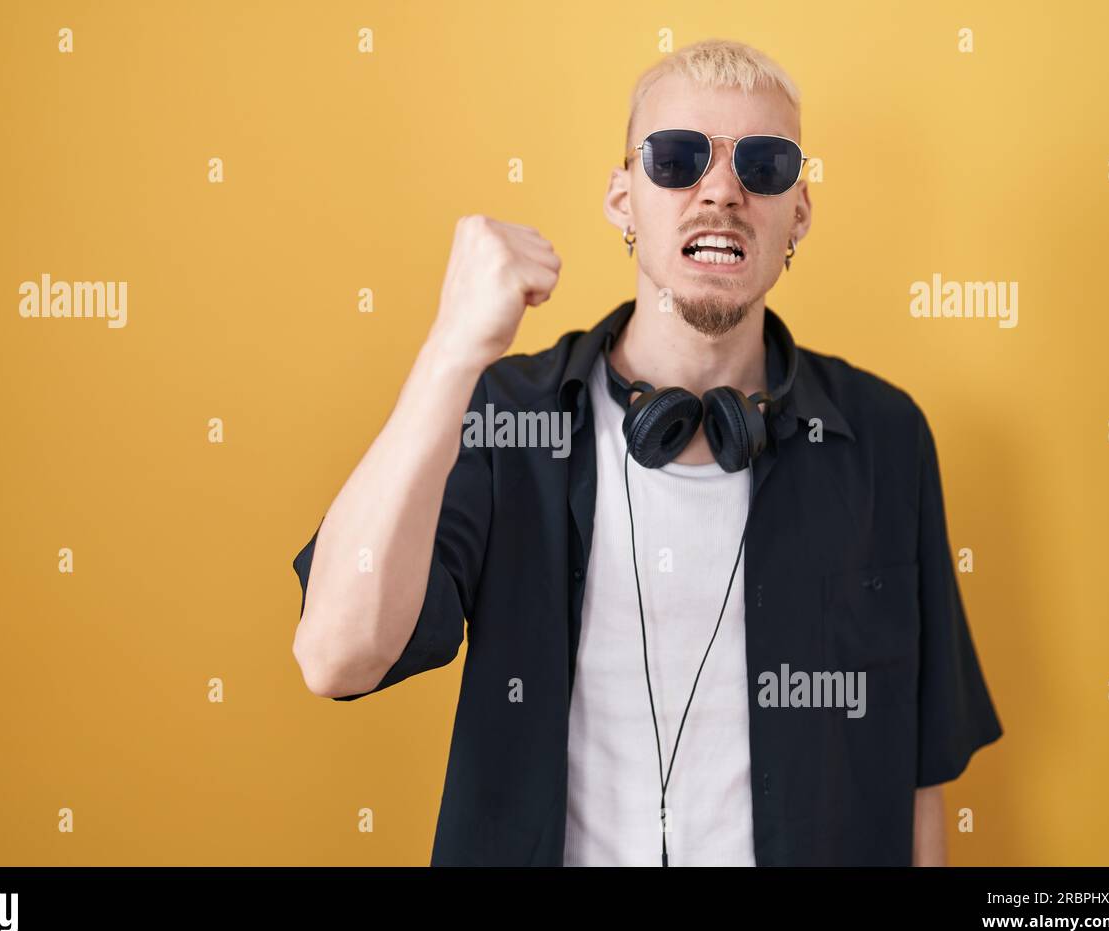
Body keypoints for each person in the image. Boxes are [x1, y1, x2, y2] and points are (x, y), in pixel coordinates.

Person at [291, 38, 1003, 866]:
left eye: (765, 165)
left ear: (797, 215)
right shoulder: (507, 415)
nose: (721, 192)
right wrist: (453, 351)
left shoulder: (883, 435)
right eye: (677, 158)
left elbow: (920, 778)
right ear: (623, 198)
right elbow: (334, 656)